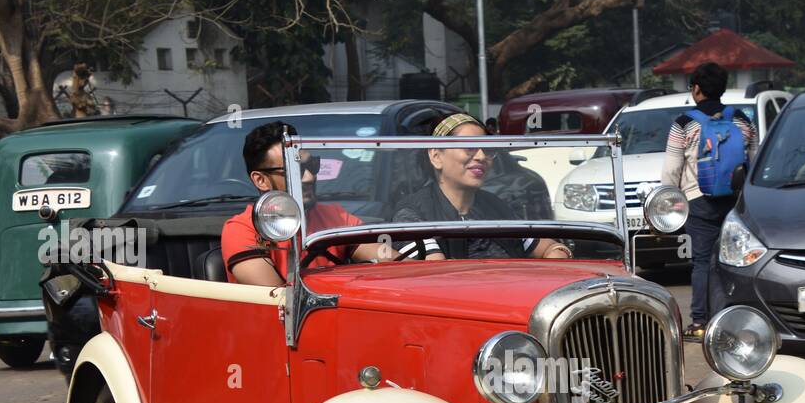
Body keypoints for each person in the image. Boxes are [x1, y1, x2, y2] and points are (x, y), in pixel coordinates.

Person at [220, 121, 394, 286]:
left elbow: (393, 262)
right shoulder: (242, 229)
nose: (310, 177)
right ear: (261, 180)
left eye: (312, 165)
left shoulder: (335, 216)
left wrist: (418, 267)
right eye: (296, 169)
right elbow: (278, 301)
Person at [660, 61, 755, 340]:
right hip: (736, 202)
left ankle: (701, 323)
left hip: (698, 200)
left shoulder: (683, 124)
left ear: (696, 89)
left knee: (702, 262)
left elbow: (671, 171)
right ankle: (734, 320)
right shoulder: (742, 120)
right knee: (733, 261)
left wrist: (668, 207)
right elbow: (755, 161)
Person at [393, 113, 572, 260]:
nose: (481, 156)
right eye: (468, 146)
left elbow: (545, 246)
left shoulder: (496, 207)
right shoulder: (415, 216)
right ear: (436, 156)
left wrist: (557, 253)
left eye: (487, 148)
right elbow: (436, 273)